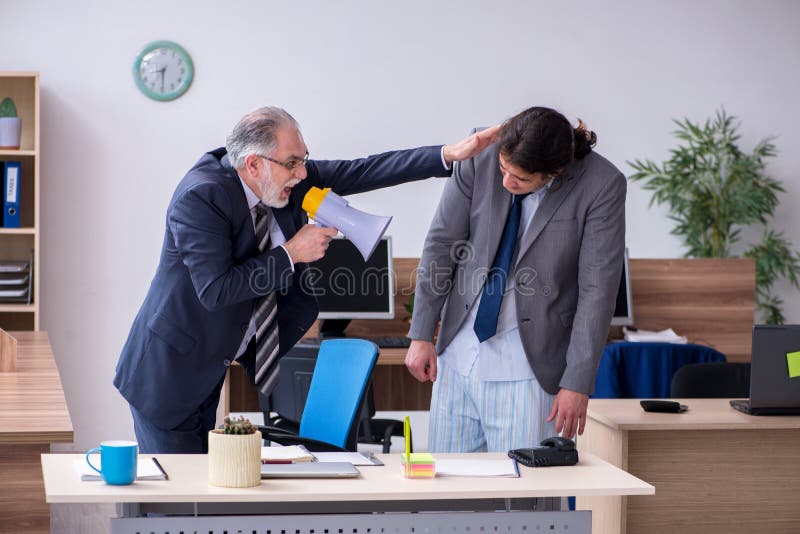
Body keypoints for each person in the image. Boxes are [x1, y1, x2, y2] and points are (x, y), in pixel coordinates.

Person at [114, 106, 498, 453]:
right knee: (176, 492)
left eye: (304, 160)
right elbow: (216, 289)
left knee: (202, 486)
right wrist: (292, 253)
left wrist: (448, 155)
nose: (302, 173)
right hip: (167, 373)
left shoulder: (285, 177)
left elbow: (364, 169)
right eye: (292, 163)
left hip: (210, 365)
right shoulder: (201, 197)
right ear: (253, 164)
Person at [405, 106, 626, 452]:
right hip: (458, 357)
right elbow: (442, 243)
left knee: (525, 485)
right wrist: (421, 333)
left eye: (520, 179)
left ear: (554, 172)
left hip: (529, 368)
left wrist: (577, 382)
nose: (506, 182)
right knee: (446, 482)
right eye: (503, 169)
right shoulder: (481, 151)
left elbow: (597, 290)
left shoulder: (601, 184)